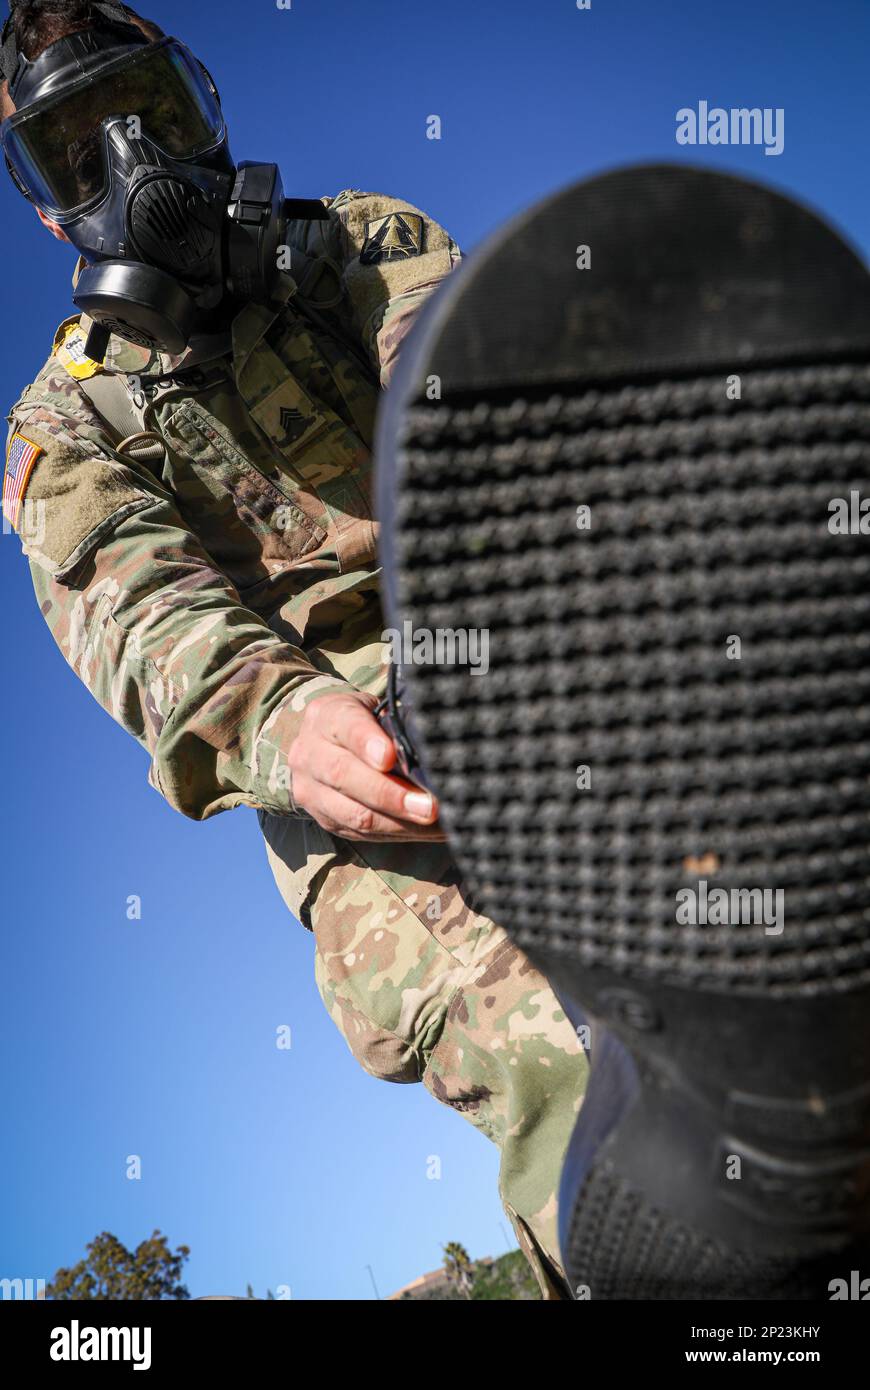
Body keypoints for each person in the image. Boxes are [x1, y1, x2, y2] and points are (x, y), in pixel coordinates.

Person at [1, 0, 587, 1297]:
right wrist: (284, 721)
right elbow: (148, 620)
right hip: (354, 790)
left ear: (203, 108)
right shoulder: (64, 431)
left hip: (536, 655)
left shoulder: (351, 246)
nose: (134, 165)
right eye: (77, 152)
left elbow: (465, 393)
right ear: (49, 210)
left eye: (148, 110)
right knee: (587, 1086)